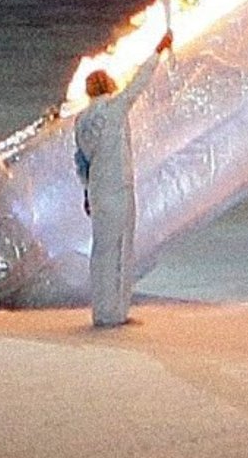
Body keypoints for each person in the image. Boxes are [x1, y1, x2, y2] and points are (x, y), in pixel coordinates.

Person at [76, 20, 175, 328]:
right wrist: (159, 50)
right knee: (120, 251)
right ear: (107, 86)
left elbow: (81, 161)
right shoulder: (113, 109)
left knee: (101, 251)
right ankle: (115, 313)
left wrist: (86, 192)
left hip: (98, 191)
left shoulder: (81, 121)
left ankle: (101, 312)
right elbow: (139, 83)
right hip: (118, 188)